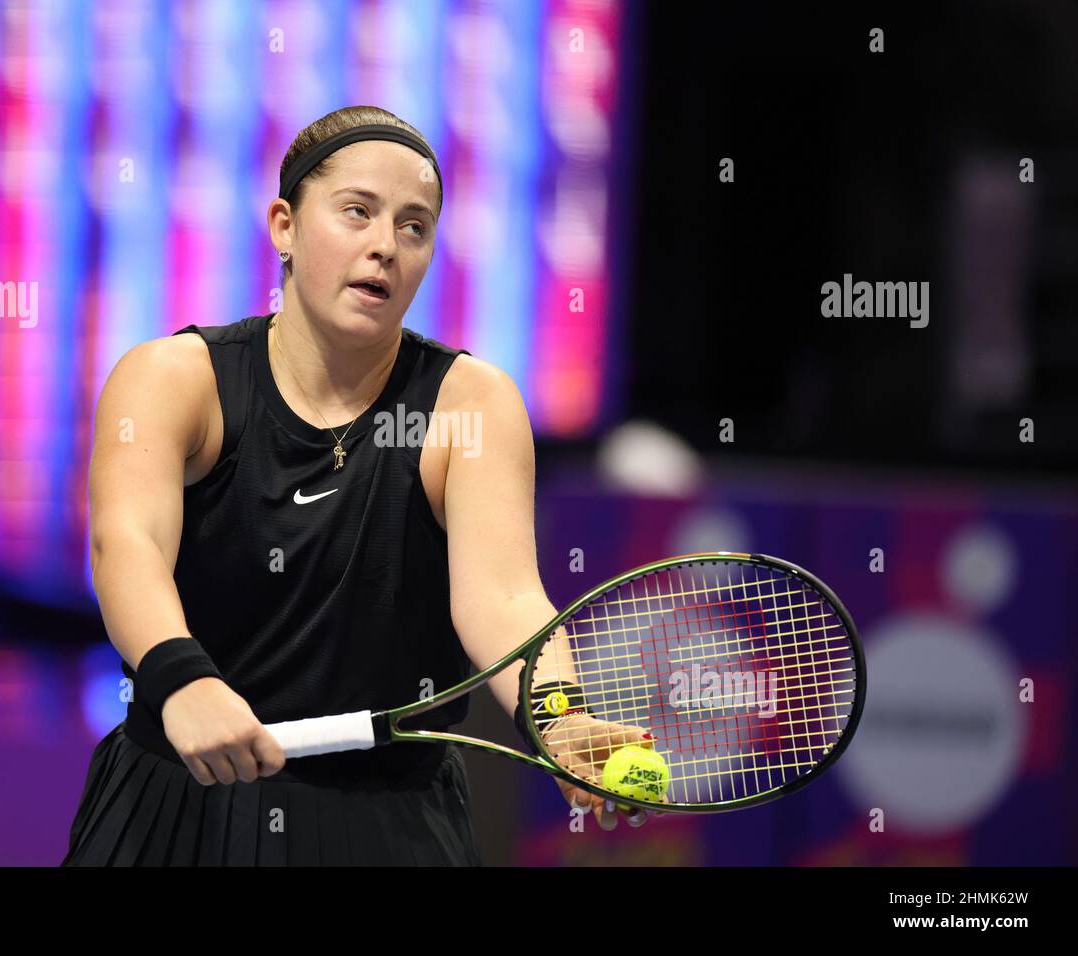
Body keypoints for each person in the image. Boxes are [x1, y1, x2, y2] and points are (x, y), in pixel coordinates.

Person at [61, 105, 647, 867]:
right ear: (284, 225)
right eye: (358, 213)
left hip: (390, 824)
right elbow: (125, 544)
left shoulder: (472, 403)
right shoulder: (173, 380)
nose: (384, 248)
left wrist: (559, 715)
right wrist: (182, 681)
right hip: (175, 799)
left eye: (414, 226)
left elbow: (502, 598)